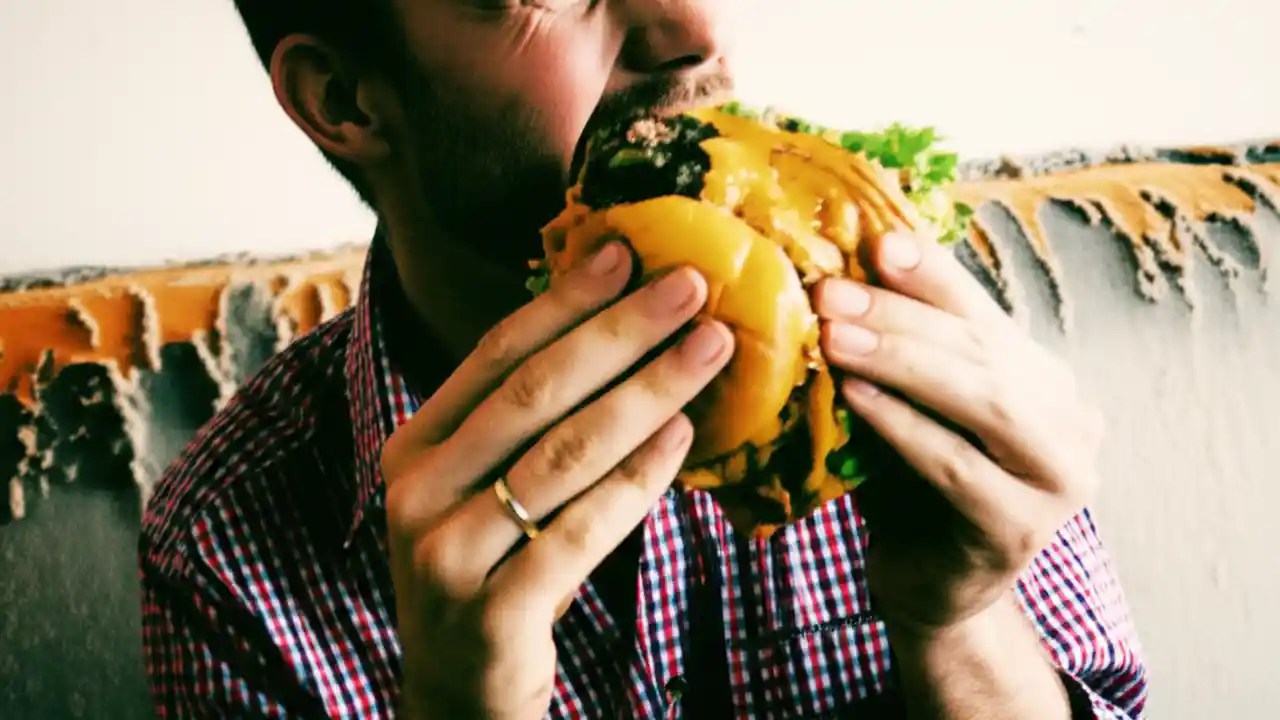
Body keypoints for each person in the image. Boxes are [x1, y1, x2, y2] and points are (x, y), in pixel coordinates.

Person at [138, 1, 1148, 718]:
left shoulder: (900, 314)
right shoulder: (222, 552)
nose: (692, 29)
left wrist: (960, 622)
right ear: (347, 98)